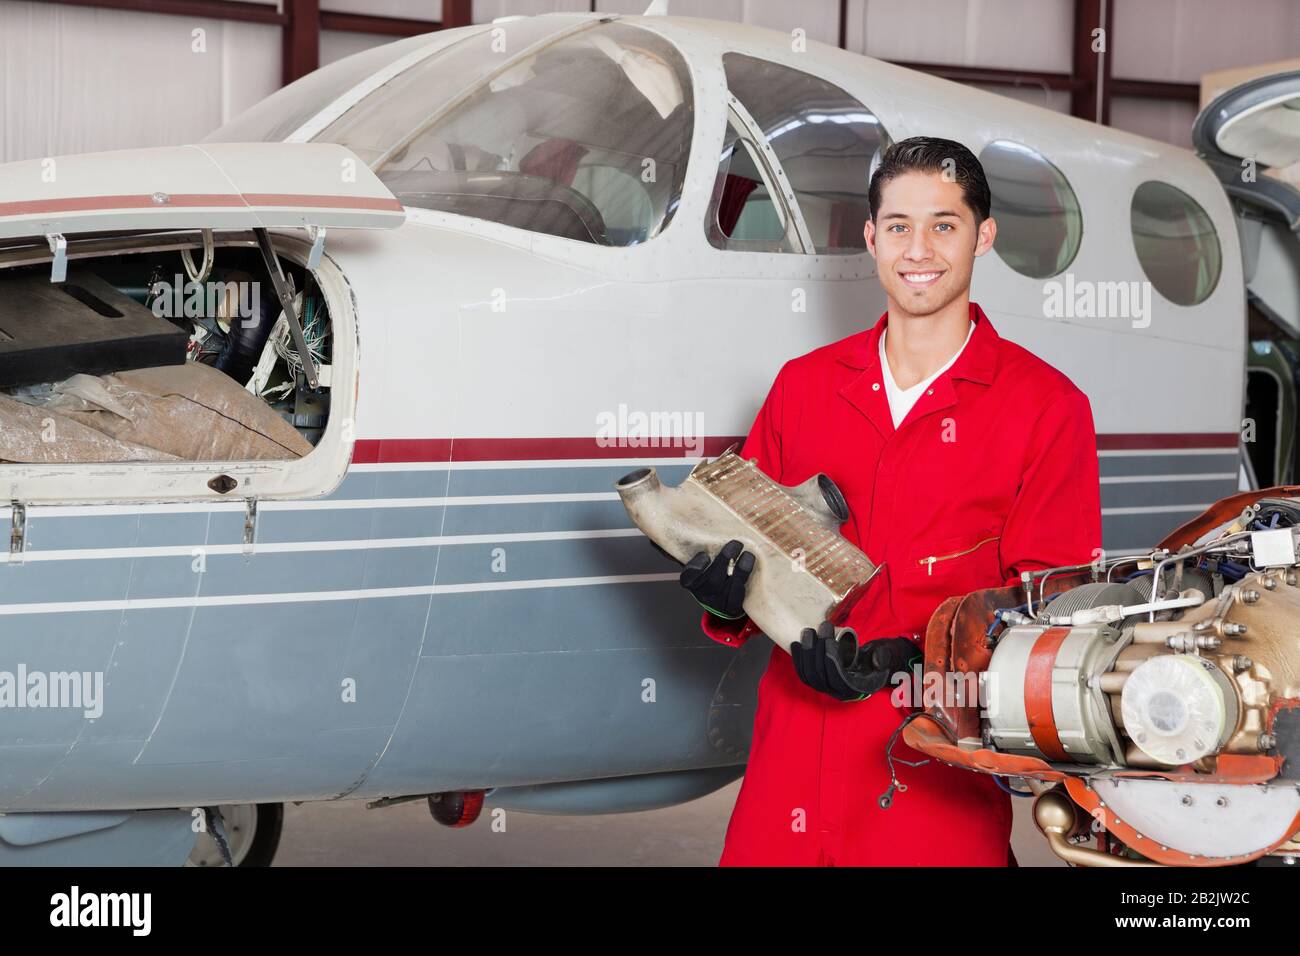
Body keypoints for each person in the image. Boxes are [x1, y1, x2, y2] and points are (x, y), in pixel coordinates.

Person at [679, 136, 1102, 866]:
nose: (920, 248)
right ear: (871, 239)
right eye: (899, 225)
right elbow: (747, 555)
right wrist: (723, 600)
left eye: (945, 224)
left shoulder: (1047, 408)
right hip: (788, 783)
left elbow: (1052, 619)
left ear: (983, 237)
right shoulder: (803, 388)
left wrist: (914, 662)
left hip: (934, 783)